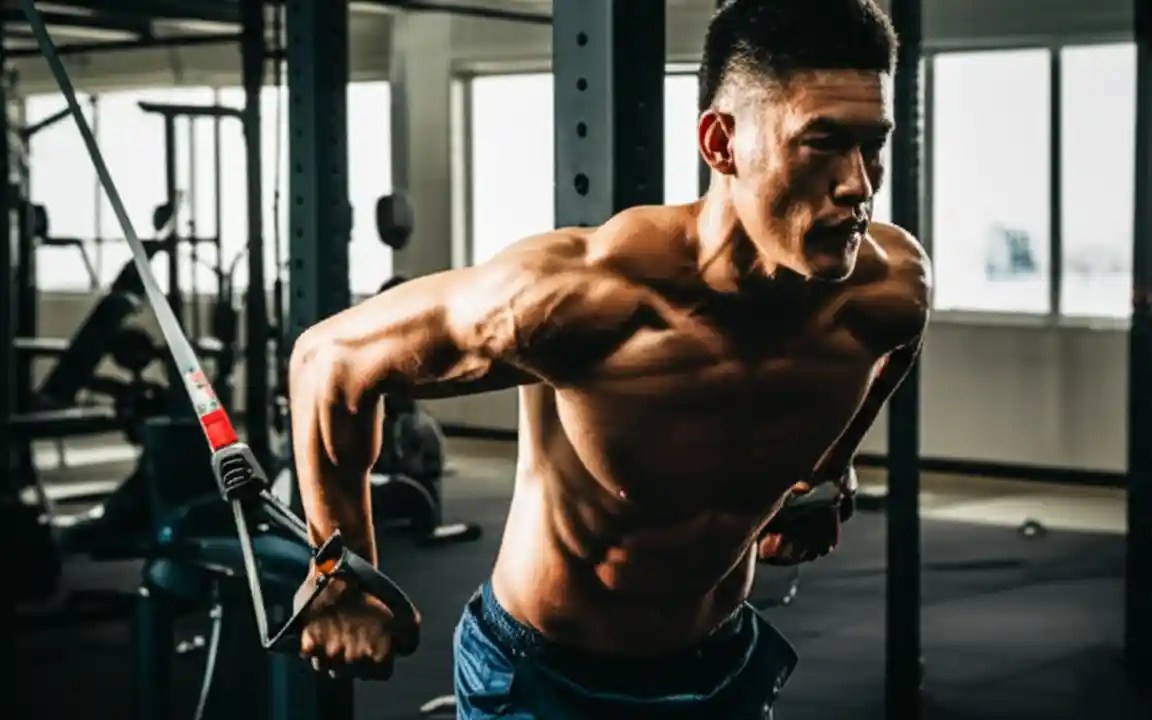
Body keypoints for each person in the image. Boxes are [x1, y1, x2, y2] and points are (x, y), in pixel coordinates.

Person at [287, 0, 930, 716]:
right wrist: (341, 574)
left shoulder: (888, 290)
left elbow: (899, 350)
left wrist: (827, 469)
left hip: (721, 662)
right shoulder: (584, 299)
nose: (860, 184)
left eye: (873, 143)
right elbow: (329, 360)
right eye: (822, 142)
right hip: (543, 678)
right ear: (721, 144)